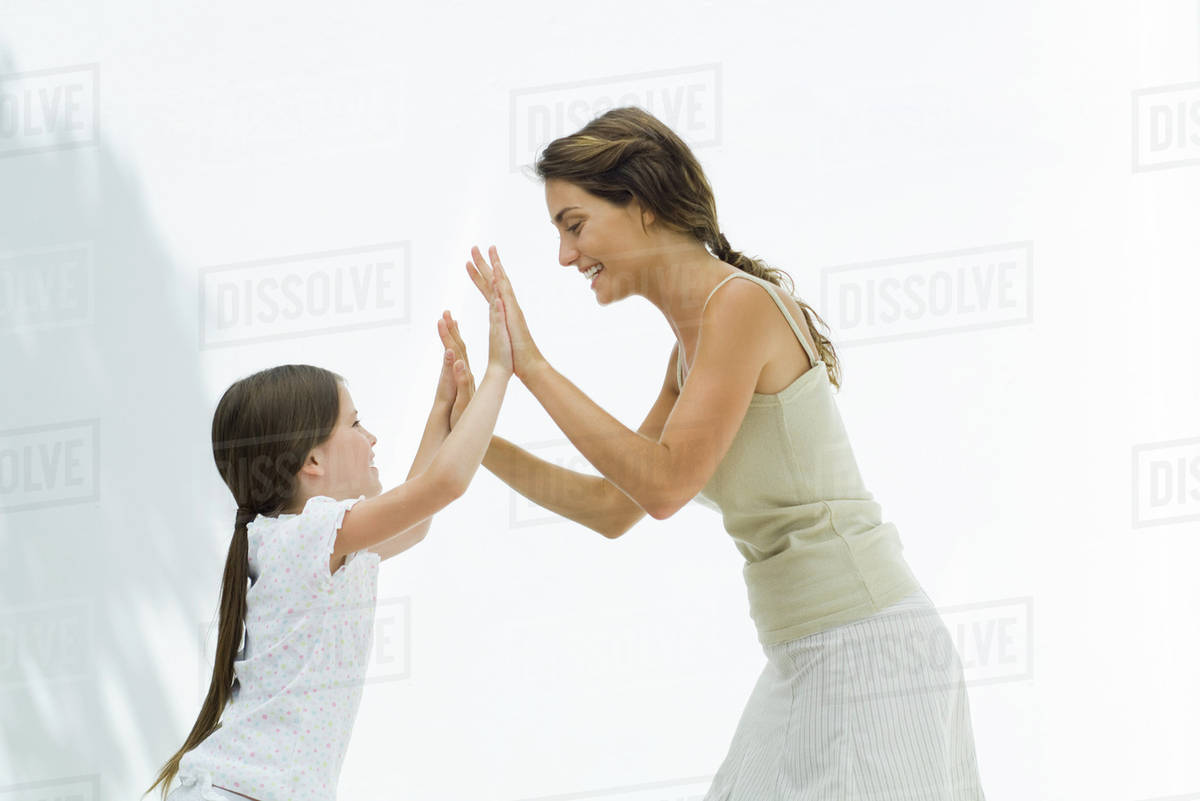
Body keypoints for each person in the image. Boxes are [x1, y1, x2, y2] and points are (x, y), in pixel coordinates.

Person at [440, 106, 987, 799]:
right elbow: (615, 505)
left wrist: (532, 366)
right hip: (805, 653)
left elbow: (666, 486)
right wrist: (475, 437)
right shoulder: (689, 348)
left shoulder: (741, 308)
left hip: (868, 650)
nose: (565, 256)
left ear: (639, 205)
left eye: (573, 225)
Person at [145, 288, 514, 801]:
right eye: (356, 423)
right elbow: (444, 485)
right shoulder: (305, 536)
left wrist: (443, 408)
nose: (372, 438)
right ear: (312, 463)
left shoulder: (318, 547)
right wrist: (503, 370)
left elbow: (417, 520)